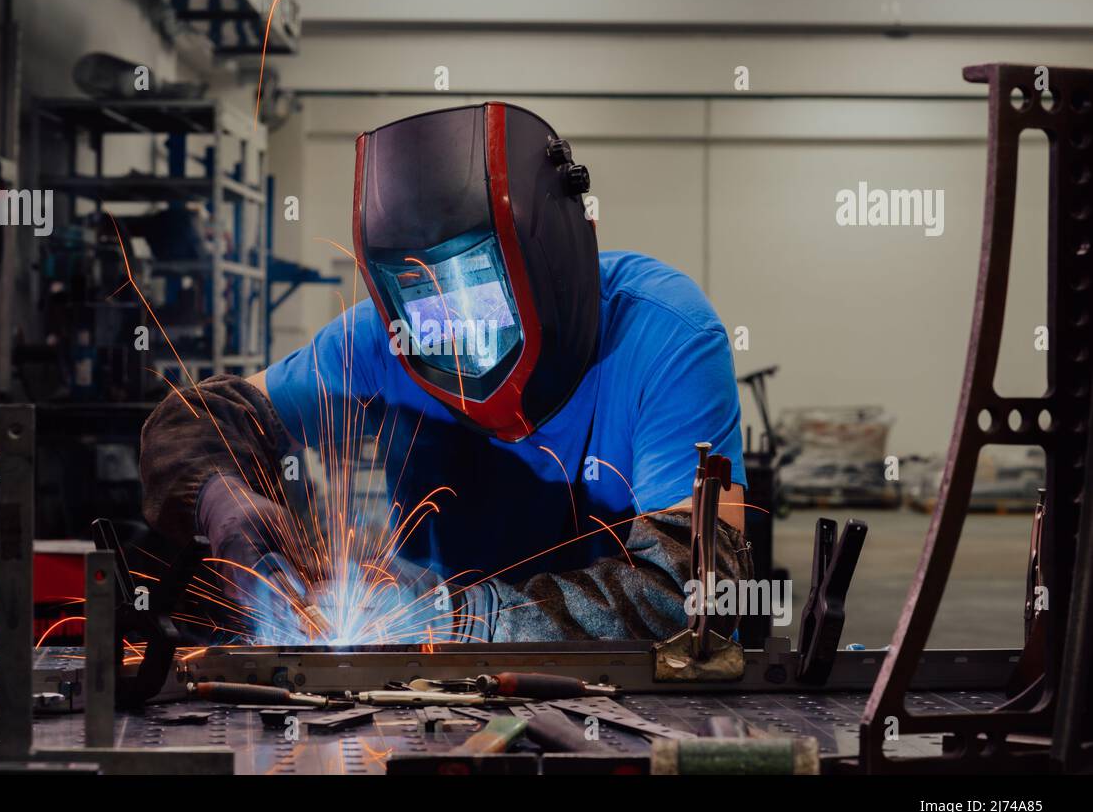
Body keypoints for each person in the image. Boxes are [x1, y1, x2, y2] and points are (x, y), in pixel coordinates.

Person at [140, 102, 751, 645]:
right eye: (425, 300)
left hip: (632, 697)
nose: (458, 330)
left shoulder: (668, 335)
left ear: (555, 262)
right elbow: (199, 420)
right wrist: (224, 501)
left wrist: (458, 619)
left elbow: (694, 596)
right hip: (431, 691)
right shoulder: (386, 339)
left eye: (483, 293)